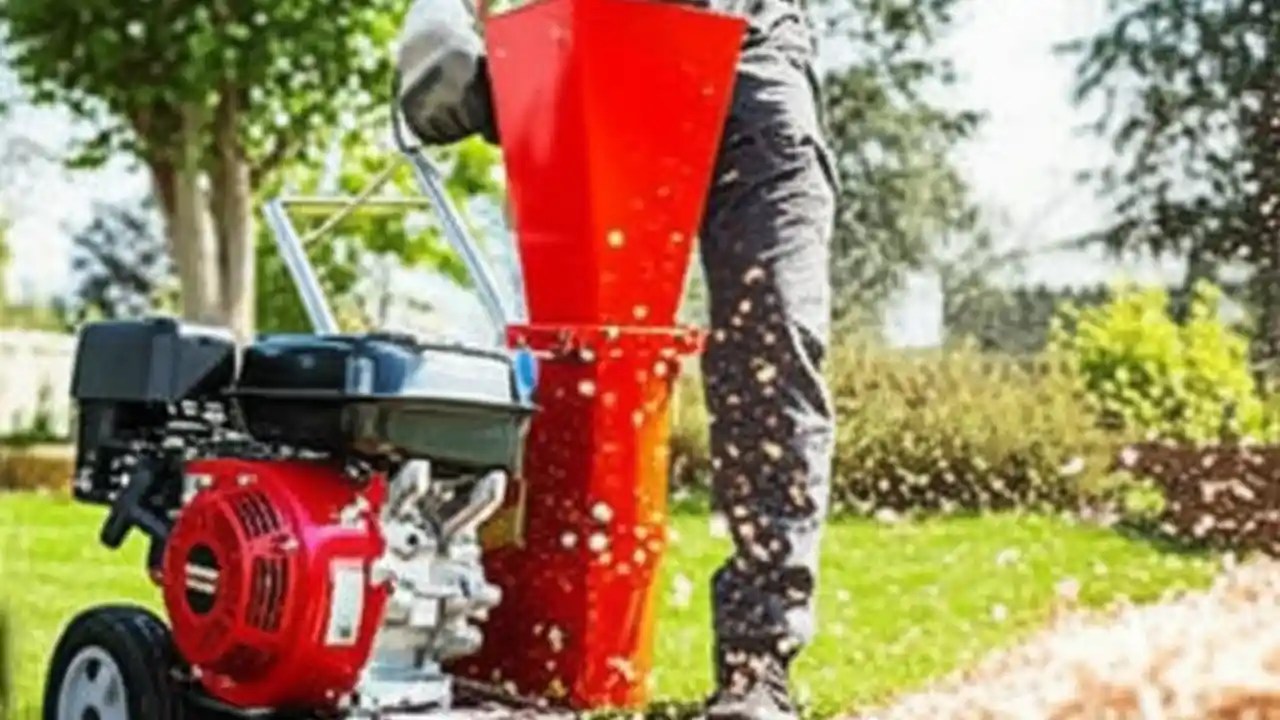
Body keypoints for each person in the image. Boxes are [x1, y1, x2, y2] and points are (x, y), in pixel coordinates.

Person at [396, 0, 837, 716]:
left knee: (773, 342)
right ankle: (531, 644)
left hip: (751, 53)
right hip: (593, 46)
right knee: (568, 350)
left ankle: (758, 668)